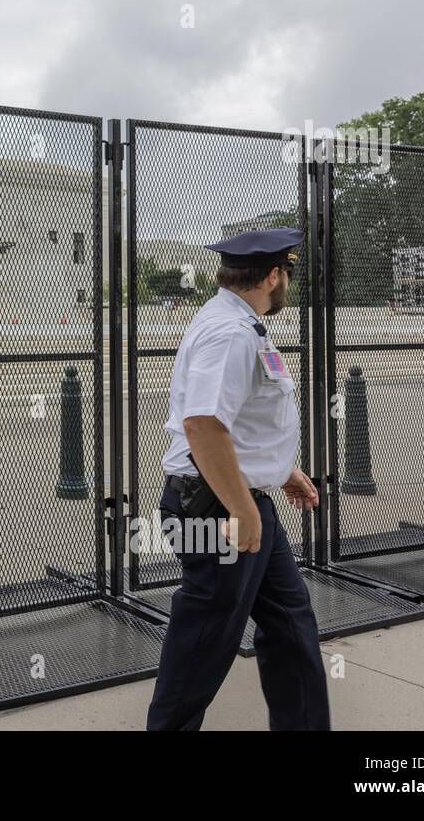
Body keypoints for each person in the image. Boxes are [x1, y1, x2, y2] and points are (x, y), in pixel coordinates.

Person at [146, 228, 331, 731]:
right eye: (286, 275)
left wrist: (279, 469)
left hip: (237, 500)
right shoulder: (228, 332)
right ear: (273, 275)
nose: (285, 284)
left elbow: (239, 417)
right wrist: (243, 509)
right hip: (216, 509)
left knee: (291, 626)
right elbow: (202, 423)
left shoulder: (240, 323)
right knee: (205, 641)